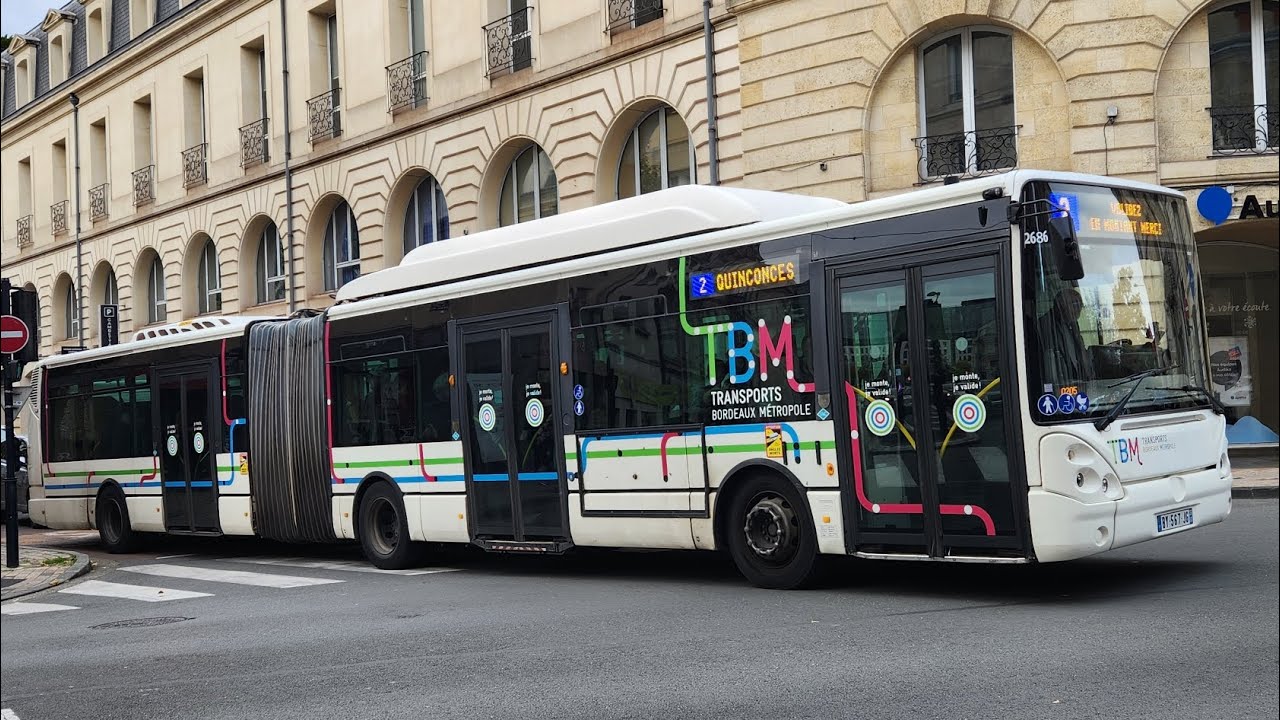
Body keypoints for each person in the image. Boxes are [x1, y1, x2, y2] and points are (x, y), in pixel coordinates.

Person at [1036, 287, 1093, 382]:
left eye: (1080, 304)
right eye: (1075, 304)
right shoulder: (1046, 324)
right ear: (1060, 304)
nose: (1079, 309)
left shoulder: (1072, 324)